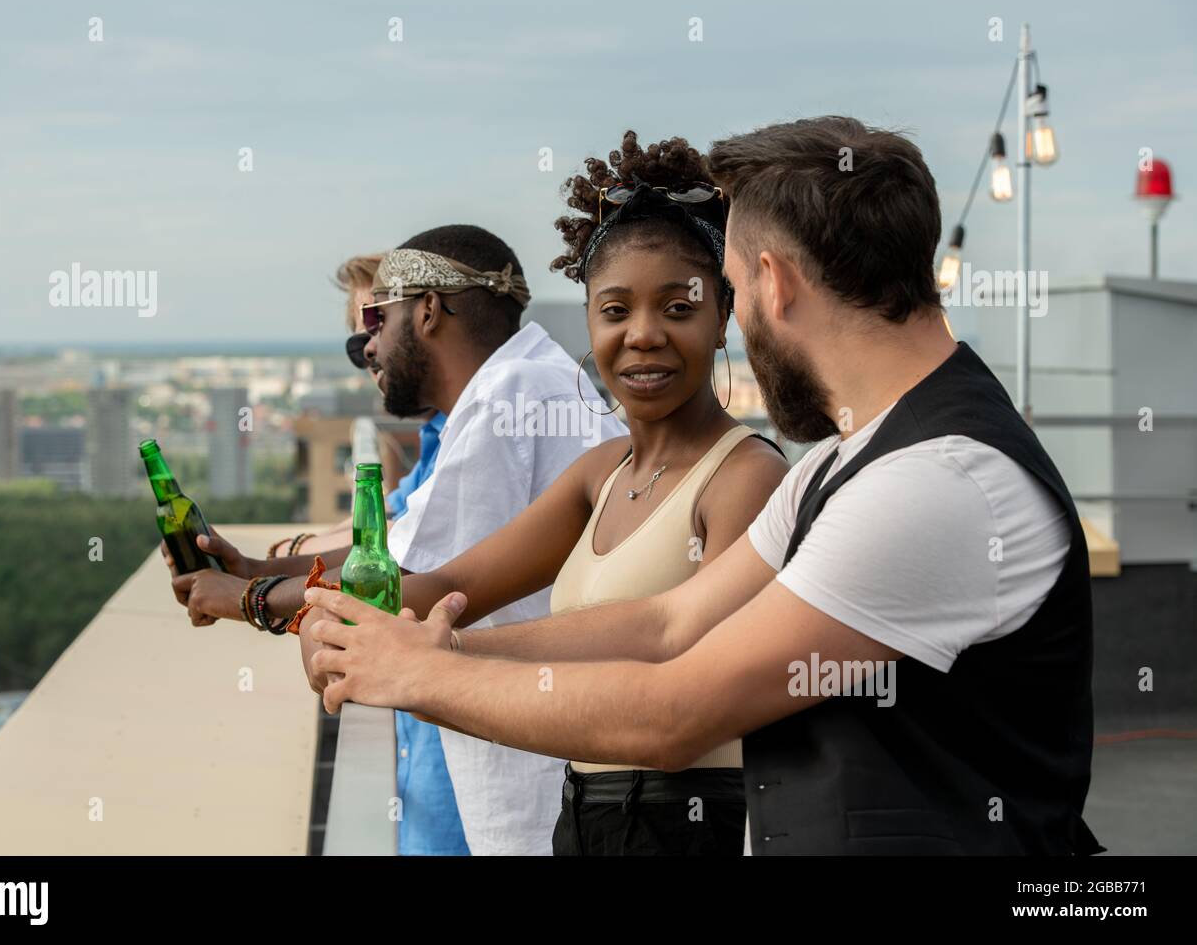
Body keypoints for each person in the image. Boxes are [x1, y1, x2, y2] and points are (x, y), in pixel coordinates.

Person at [303, 117, 1103, 856]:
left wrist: (421, 676)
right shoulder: (845, 461)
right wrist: (442, 645)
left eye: (727, 290)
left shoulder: (937, 481)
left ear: (772, 282)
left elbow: (676, 712)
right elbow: (666, 625)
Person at [303, 132, 787, 855]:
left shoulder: (747, 476)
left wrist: (434, 662)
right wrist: (340, 623)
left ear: (724, 314)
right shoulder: (600, 475)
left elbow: (680, 673)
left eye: (679, 310)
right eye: (615, 310)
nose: (644, 335)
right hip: (581, 822)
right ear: (590, 321)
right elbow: (442, 586)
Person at [183, 223, 629, 854]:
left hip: (535, 763)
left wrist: (248, 597)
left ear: (426, 312)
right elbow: (397, 549)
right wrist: (254, 568)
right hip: (540, 745)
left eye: (378, 320)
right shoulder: (529, 377)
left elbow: (402, 591)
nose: (371, 347)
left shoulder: (510, 394)